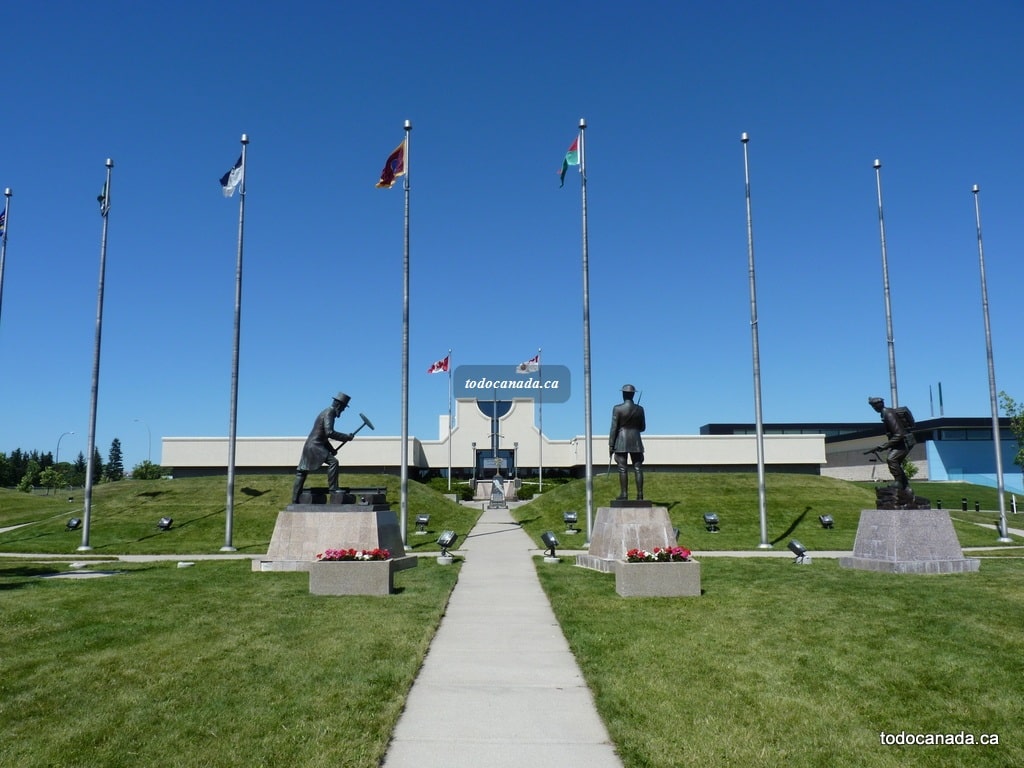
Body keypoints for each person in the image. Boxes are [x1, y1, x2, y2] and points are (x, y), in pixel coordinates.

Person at [291, 392, 355, 503]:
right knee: (333, 462)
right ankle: (333, 489)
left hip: (312, 445)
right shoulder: (330, 412)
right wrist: (345, 437)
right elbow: (329, 432)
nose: (343, 411)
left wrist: (331, 449)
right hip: (315, 446)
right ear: (339, 406)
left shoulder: (326, 412)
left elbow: (323, 435)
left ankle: (294, 500)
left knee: (302, 472)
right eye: (343, 408)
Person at [868, 396, 916, 491]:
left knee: (891, 459)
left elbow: (899, 434)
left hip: (904, 442)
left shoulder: (888, 413)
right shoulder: (885, 413)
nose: (874, 409)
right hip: (901, 442)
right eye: (872, 407)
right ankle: (905, 487)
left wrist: (884, 446)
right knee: (896, 462)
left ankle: (898, 483)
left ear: (880, 404)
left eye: (874, 406)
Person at [609, 384, 646, 500]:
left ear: (623, 394)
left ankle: (624, 494)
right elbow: (643, 427)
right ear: (633, 394)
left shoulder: (617, 408)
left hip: (621, 440)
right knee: (638, 468)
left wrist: (611, 444)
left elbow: (614, 427)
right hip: (636, 440)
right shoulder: (640, 409)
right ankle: (640, 495)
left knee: (622, 468)